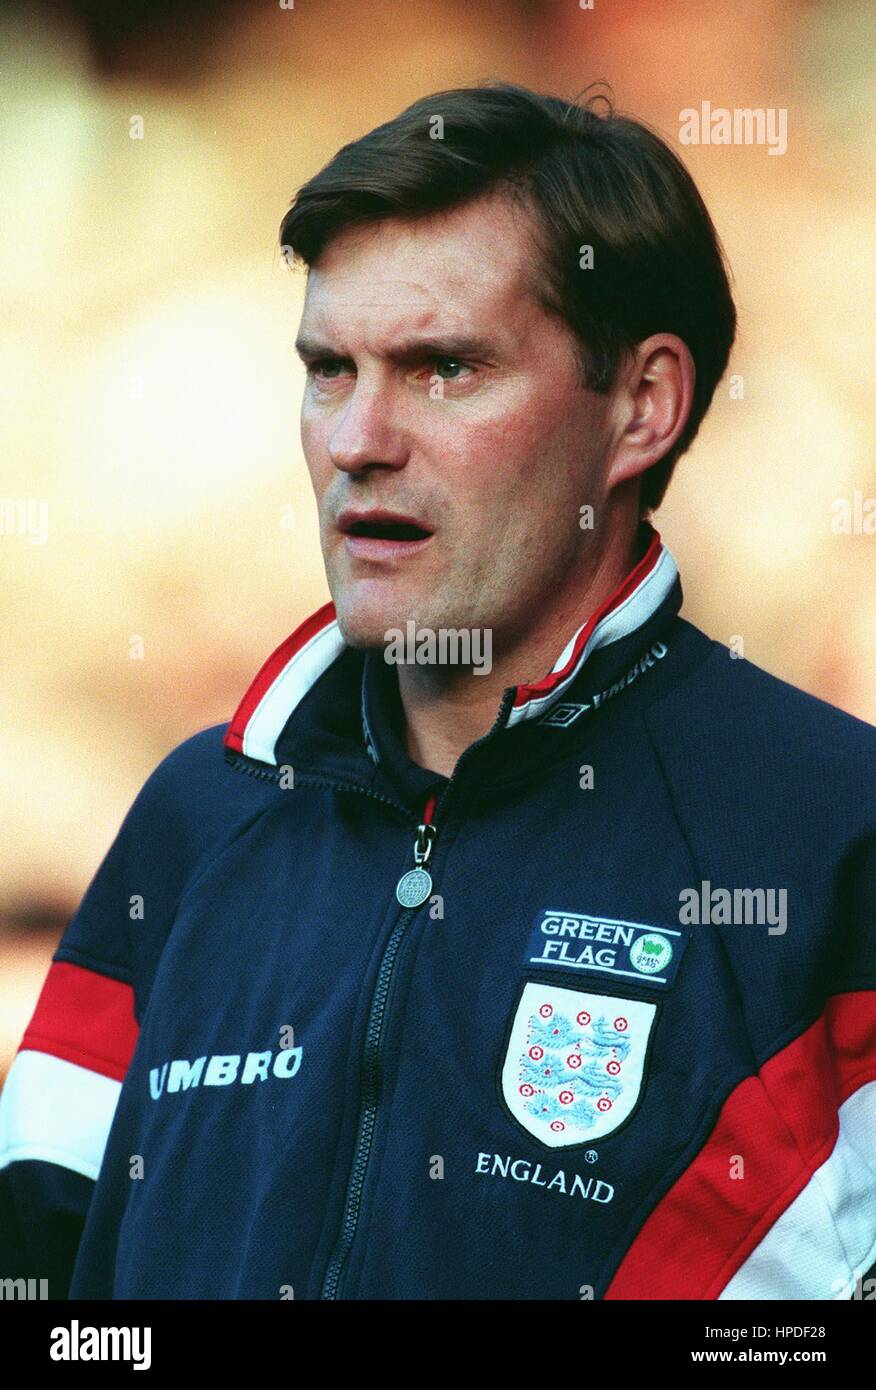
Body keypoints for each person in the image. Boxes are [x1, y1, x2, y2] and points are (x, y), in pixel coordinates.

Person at [2, 81, 874, 1301]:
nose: (358, 437)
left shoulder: (831, 832)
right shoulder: (196, 820)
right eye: (327, 370)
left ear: (642, 406)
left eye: (444, 368)